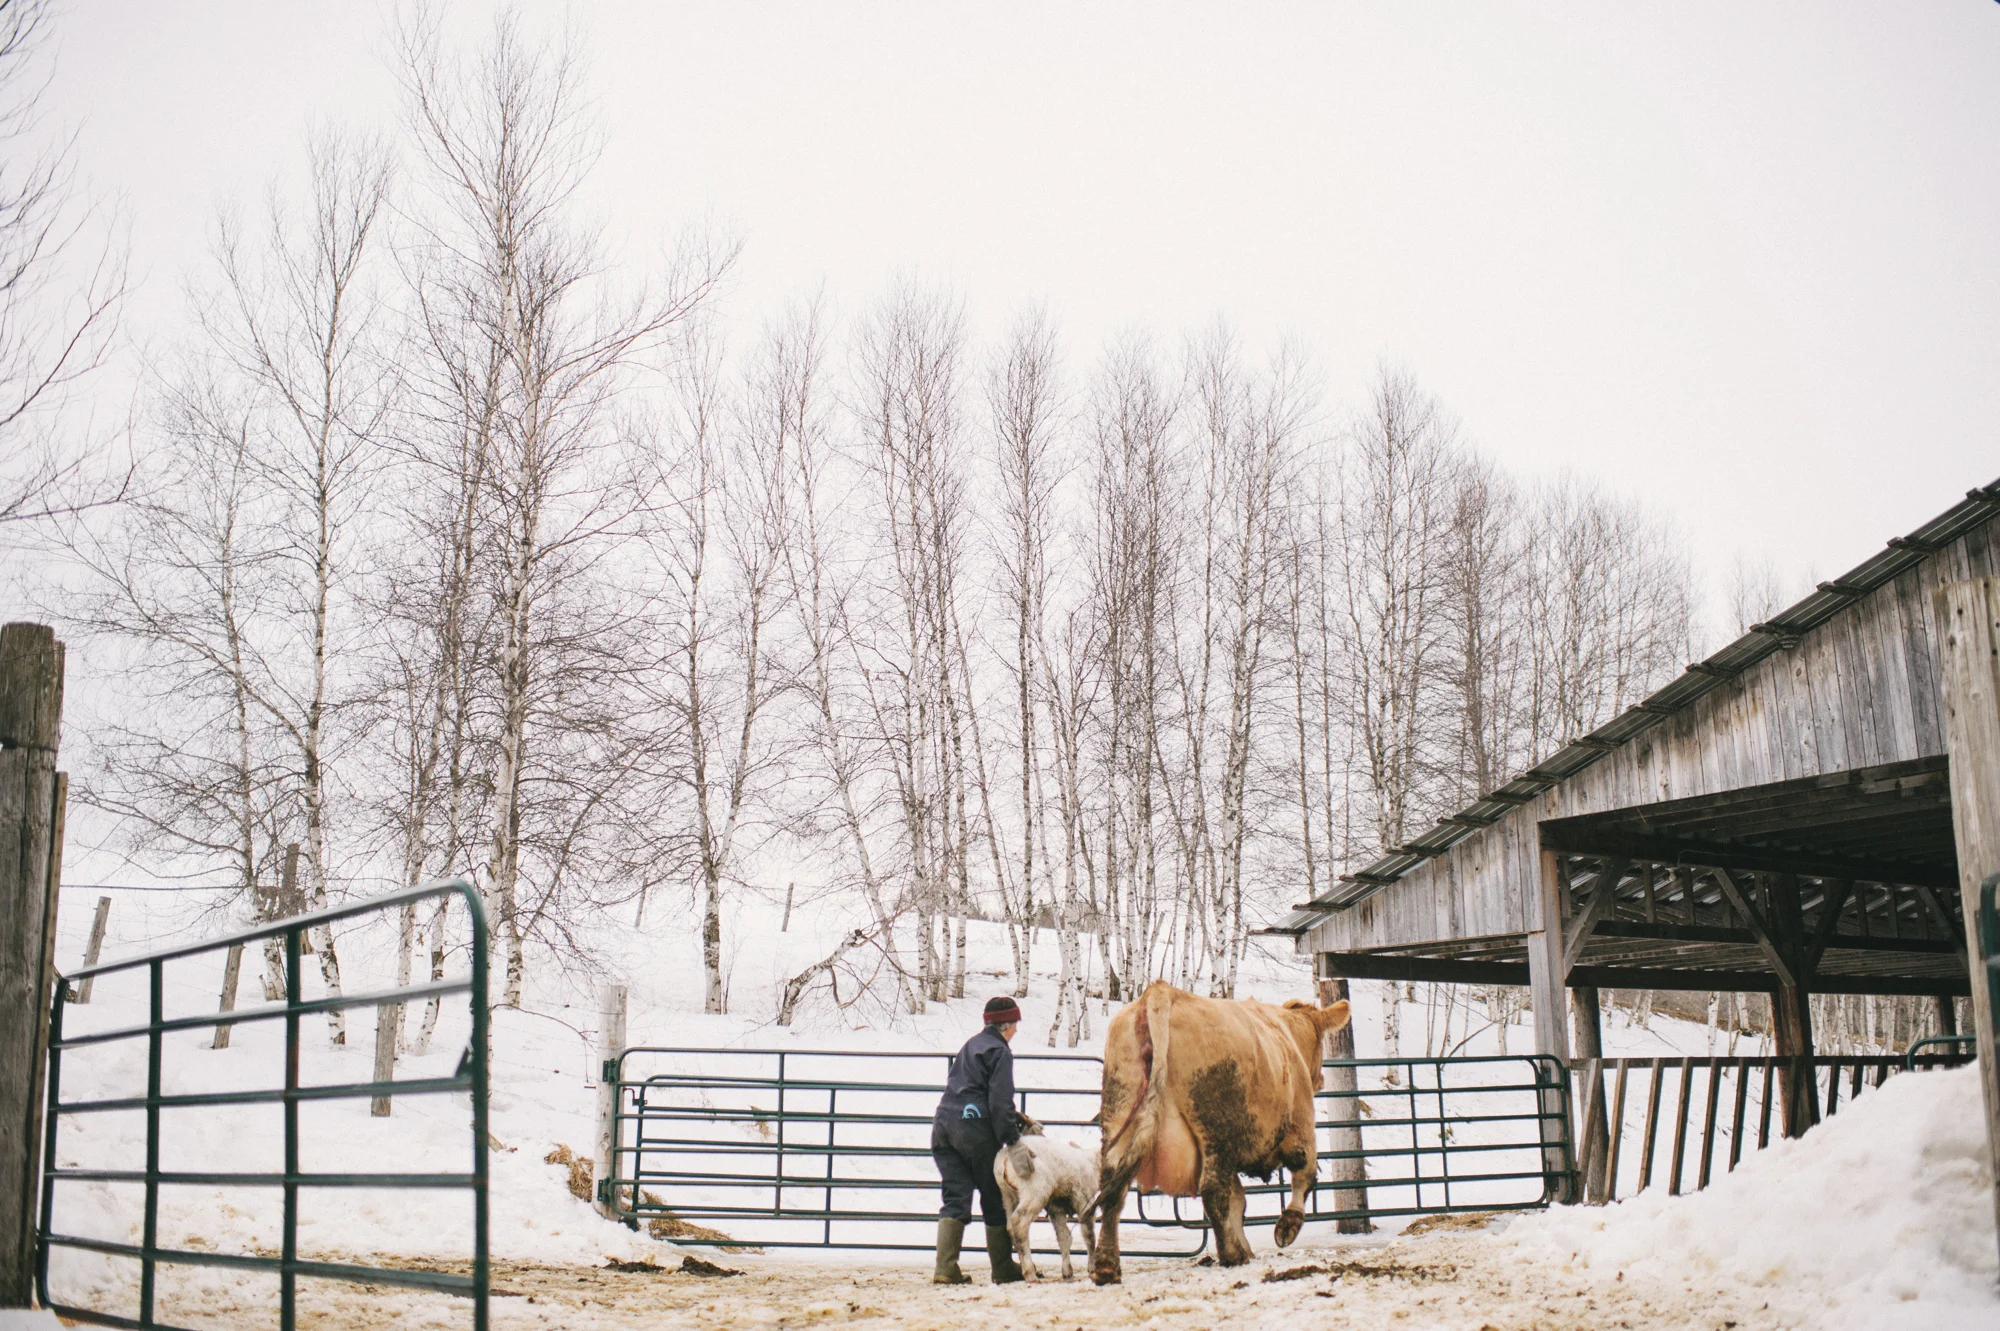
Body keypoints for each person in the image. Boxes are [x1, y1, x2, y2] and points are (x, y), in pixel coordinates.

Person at [930, 996, 1031, 1284]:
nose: (1016, 1032)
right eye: (1015, 1026)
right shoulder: (999, 1052)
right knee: (995, 1195)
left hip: (944, 1127)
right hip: (975, 1132)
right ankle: (1002, 1267)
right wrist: (1012, 1138)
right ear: (1007, 1025)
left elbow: (963, 1087)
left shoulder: (970, 1045)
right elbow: (999, 1102)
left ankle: (945, 1268)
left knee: (956, 1195)